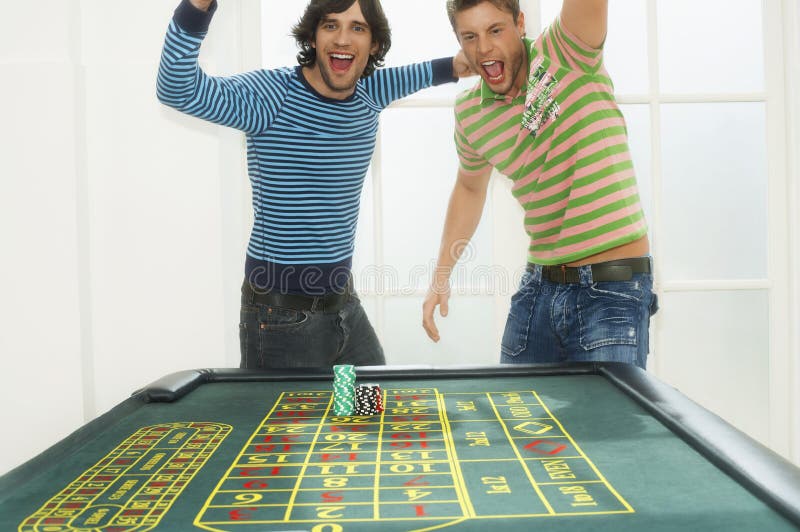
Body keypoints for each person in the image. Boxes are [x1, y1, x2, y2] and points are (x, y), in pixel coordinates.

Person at [158, 0, 472, 368]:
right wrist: (200, 4)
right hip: (281, 318)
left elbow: (440, 69)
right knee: (288, 427)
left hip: (343, 308)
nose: (342, 38)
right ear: (312, 35)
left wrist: (479, 57)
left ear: (373, 44)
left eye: (357, 27)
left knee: (372, 415)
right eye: (330, 25)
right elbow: (177, 89)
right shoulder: (269, 97)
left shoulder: (371, 90)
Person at [422, 0, 657, 369]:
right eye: (470, 36)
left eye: (495, 30)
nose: (483, 48)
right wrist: (441, 275)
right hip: (539, 289)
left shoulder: (566, 49)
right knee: (519, 422)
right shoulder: (470, 113)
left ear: (520, 23)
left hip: (612, 286)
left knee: (605, 425)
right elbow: (469, 188)